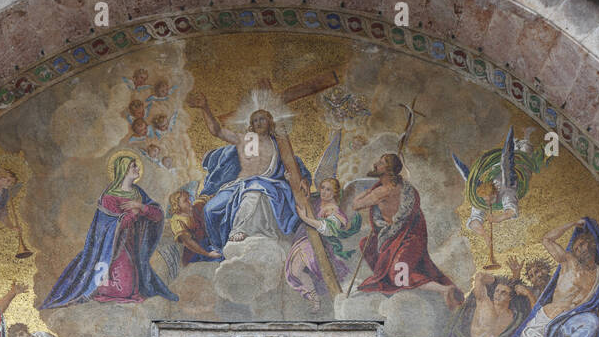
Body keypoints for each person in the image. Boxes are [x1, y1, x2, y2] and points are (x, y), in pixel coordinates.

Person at [40, 151, 177, 308]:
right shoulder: (109, 197)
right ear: (124, 170)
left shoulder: (138, 193)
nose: (137, 169)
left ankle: (97, 282)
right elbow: (113, 225)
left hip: (135, 248)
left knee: (138, 286)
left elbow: (158, 215)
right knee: (125, 290)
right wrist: (134, 213)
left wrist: (141, 206)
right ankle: (94, 285)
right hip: (113, 249)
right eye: (133, 166)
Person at [187, 93, 311, 249]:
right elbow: (217, 131)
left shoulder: (279, 144)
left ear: (270, 121)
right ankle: (219, 248)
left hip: (264, 184)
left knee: (252, 196)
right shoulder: (245, 139)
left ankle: (239, 229)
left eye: (262, 119)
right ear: (251, 124)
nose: (258, 122)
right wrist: (205, 108)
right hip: (239, 185)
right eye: (255, 120)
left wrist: (303, 179)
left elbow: (295, 165)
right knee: (210, 209)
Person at [354, 154, 460, 299]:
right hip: (404, 237)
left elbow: (356, 205)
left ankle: (443, 289)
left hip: (404, 239)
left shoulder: (381, 191)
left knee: (397, 275)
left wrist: (366, 193)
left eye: (381, 162)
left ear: (389, 169)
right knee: (366, 244)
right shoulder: (402, 186)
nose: (376, 164)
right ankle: (396, 287)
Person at [285, 176, 360, 311]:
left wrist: (305, 218)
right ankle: (313, 297)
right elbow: (300, 196)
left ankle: (316, 300)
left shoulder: (334, 210)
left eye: (328, 190)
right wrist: (294, 180)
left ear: (335, 193)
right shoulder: (317, 201)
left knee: (300, 270)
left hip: (316, 244)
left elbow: (327, 228)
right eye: (323, 188)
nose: (324, 192)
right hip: (303, 239)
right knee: (295, 272)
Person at [435, 270, 530, 337]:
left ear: (510, 297)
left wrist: (528, 293)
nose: (498, 294)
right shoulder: (484, 302)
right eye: (497, 291)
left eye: (503, 293)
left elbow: (536, 316)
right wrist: (494, 280)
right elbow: (479, 276)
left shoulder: (514, 318)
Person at [166, 189, 222, 263]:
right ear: (177, 204)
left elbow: (208, 198)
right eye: (185, 201)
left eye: (189, 198)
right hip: (197, 251)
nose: (190, 202)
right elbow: (188, 242)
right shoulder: (177, 221)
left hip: (210, 241)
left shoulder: (195, 207)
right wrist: (208, 254)